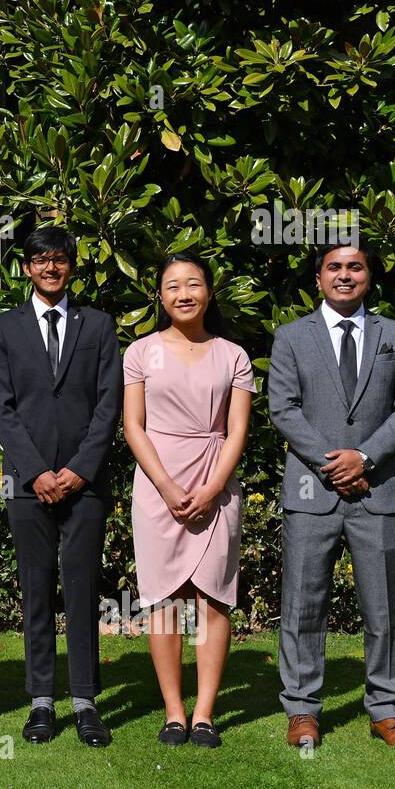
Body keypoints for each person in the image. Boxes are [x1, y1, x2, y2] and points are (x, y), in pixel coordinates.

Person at [269, 242, 395, 753]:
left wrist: (366, 457)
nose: (344, 275)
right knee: (302, 605)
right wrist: (336, 464)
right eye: (334, 267)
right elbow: (284, 409)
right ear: (318, 278)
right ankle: (301, 709)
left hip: (378, 488)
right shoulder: (292, 337)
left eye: (354, 267)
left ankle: (387, 710)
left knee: (382, 608)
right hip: (311, 490)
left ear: (368, 276)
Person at [0, 226, 121, 746]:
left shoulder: (100, 326)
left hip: (84, 484)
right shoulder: (3, 328)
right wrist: (36, 471)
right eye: (41, 260)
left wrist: (79, 469)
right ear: (26, 268)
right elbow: (1, 406)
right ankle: (41, 700)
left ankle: (84, 700)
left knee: (82, 588)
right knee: (37, 590)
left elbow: (109, 404)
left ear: (70, 267)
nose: (50, 268)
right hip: (27, 483)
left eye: (60, 259)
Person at [122, 255, 254, 749]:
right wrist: (171, 488)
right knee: (163, 599)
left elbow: (238, 429)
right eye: (173, 286)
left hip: (216, 483)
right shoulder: (139, 352)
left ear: (209, 292)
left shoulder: (233, 355)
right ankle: (174, 713)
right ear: (160, 296)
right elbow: (133, 426)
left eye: (193, 284)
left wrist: (213, 487)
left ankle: (204, 714)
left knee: (214, 598)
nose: (183, 294)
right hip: (159, 485)